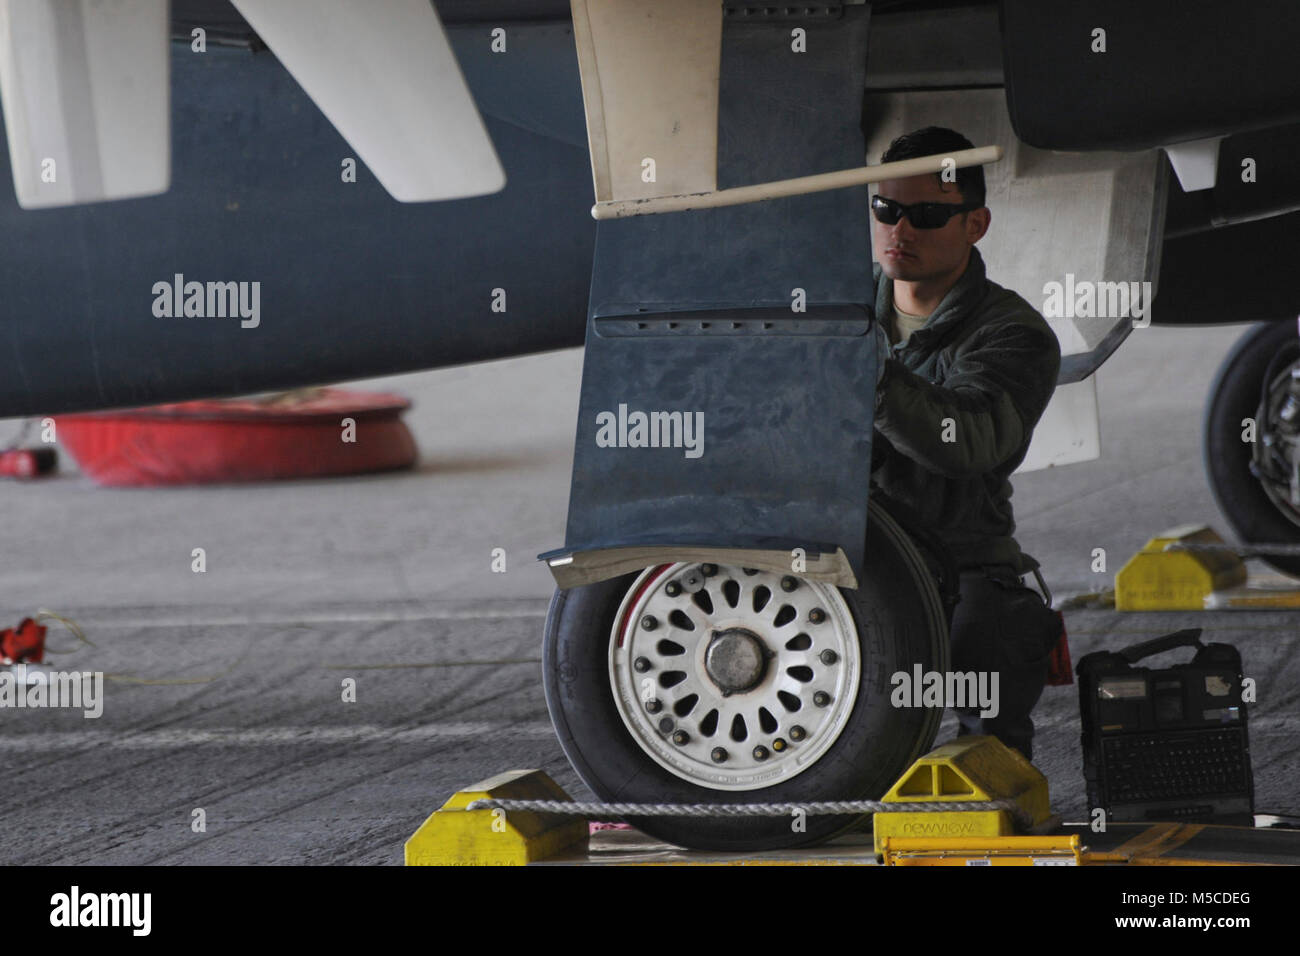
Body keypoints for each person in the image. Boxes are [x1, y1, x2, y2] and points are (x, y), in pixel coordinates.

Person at [867, 126, 1062, 761]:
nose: (901, 230)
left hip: (960, 564)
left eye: (926, 215)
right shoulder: (838, 311)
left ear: (975, 223)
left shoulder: (1014, 333)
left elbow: (969, 440)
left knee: (990, 731)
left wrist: (865, 374)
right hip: (848, 560)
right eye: (887, 210)